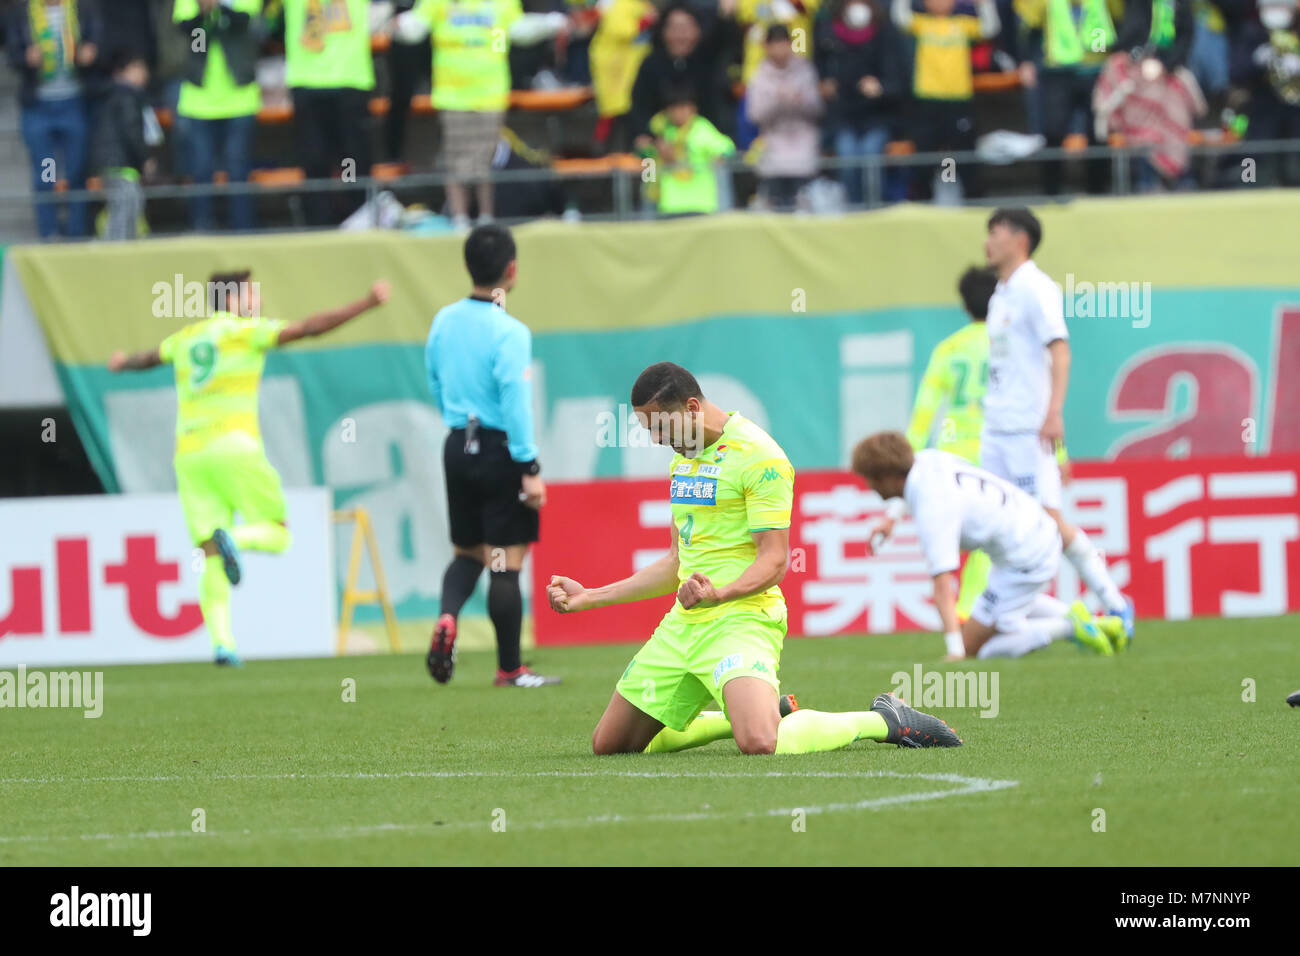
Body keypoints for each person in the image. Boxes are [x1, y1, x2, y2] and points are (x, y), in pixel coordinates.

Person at [547, 362, 963, 754]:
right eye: (647, 429)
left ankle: (884, 719)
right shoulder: (683, 459)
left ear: (692, 407)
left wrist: (722, 594)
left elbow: (775, 560)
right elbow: (676, 561)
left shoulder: (760, 457)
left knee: (761, 742)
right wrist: (591, 597)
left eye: (660, 425)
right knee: (611, 745)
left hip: (742, 618)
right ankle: (756, 711)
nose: (656, 438)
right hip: (684, 626)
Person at [108, 273, 392, 666]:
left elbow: (149, 359)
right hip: (234, 447)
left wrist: (122, 363)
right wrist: (365, 303)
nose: (257, 298)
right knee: (278, 532)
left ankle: (223, 644)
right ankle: (236, 538)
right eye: (252, 292)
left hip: (190, 455)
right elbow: (309, 328)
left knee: (208, 552)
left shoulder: (187, 337)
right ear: (234, 297)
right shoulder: (245, 332)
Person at [980, 207, 1135, 634]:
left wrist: (1054, 417)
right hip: (995, 429)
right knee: (999, 527)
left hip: (1028, 430)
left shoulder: (1036, 288)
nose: (986, 242)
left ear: (1019, 239)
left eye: (994, 233)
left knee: (1046, 520)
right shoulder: (1001, 293)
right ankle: (1044, 616)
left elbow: (1060, 351)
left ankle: (1114, 602)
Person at [424, 224, 558, 688]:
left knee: (467, 554)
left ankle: (446, 618)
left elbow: (435, 379)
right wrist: (530, 468)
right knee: (505, 560)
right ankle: (510, 668)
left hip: (457, 443)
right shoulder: (510, 331)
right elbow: (515, 402)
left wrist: (456, 418)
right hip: (500, 451)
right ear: (512, 269)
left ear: (467, 267)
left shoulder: (443, 320)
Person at [852, 431, 1124, 659]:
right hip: (1031, 526)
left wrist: (955, 651)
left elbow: (942, 588)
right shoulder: (925, 460)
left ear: (888, 475)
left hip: (1027, 555)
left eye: (871, 477)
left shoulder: (933, 507)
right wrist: (891, 520)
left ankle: (1068, 626)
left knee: (978, 649)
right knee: (1005, 609)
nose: (869, 485)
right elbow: (908, 488)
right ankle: (1082, 618)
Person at [397, 0, 567, 227]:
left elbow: (506, 35)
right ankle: (459, 219)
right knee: (455, 158)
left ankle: (486, 218)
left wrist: (549, 23)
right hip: (452, 93)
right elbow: (418, 24)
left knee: (487, 159)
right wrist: (399, 24)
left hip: (489, 92)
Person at [5, 0, 103, 239]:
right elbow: (12, 53)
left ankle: (76, 231)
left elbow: (99, 41)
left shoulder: (82, 8)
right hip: (39, 107)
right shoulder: (23, 12)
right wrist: (25, 58)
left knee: (77, 171)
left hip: (74, 103)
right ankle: (49, 232)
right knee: (45, 173)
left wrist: (90, 52)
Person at [892, 0, 1000, 200]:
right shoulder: (922, 23)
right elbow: (900, 18)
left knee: (958, 155)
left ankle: (966, 200)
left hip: (958, 100)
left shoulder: (963, 24)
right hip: (927, 100)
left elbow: (990, 29)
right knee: (926, 156)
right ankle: (925, 203)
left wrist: (985, 5)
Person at [280, 0, 375, 225]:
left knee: (352, 159)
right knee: (314, 160)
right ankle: (318, 223)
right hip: (306, 81)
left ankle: (358, 216)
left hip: (350, 79)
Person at [174, 0, 263, 231]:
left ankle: (243, 230)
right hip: (198, 100)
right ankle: (201, 230)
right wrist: (204, 15)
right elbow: (189, 32)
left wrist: (218, 7)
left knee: (238, 169)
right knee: (201, 170)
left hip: (240, 98)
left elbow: (244, 22)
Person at [815, 0, 906, 205]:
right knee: (847, 155)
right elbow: (814, 63)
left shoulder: (886, 29)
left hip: (878, 116)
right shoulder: (826, 27)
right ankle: (855, 209)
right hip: (843, 116)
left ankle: (875, 208)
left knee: (870, 153)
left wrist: (881, 87)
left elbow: (899, 78)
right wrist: (824, 84)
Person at [746, 23, 823, 210]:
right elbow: (754, 114)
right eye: (774, 44)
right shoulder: (759, 75)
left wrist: (799, 100)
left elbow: (818, 109)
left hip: (802, 145)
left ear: (790, 44)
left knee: (802, 205)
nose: (779, 49)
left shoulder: (805, 70)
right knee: (775, 206)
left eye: (783, 43)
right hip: (773, 147)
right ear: (766, 46)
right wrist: (777, 100)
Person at [639, 80, 736, 214]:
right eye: (675, 108)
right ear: (667, 110)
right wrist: (650, 154)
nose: (679, 113)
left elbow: (728, 148)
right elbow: (647, 172)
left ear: (693, 108)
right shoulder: (660, 132)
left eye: (684, 107)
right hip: (669, 205)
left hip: (701, 204)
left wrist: (719, 159)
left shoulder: (702, 129)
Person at [91, 51, 157, 241]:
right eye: (137, 68)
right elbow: (132, 131)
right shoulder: (126, 97)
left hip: (114, 163)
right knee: (126, 203)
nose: (144, 73)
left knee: (126, 203)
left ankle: (118, 245)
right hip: (119, 164)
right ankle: (115, 248)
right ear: (121, 72)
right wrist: (145, 158)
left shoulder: (115, 95)